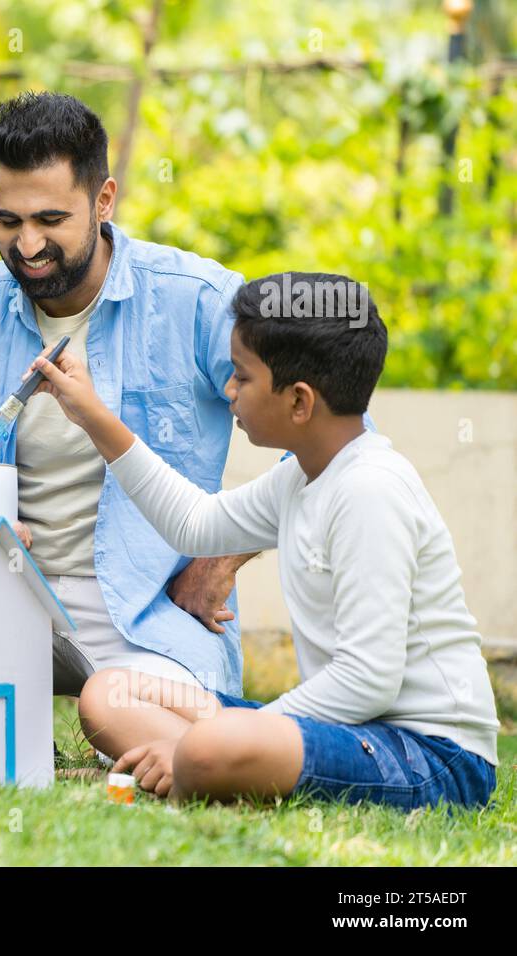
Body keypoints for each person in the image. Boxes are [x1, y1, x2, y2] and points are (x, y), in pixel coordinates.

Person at [29, 273, 499, 809]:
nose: (228, 390)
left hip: (429, 756)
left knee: (212, 744)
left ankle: (208, 764)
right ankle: (215, 769)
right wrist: (92, 416)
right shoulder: (301, 476)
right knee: (108, 694)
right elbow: (194, 524)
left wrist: (229, 736)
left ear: (299, 402)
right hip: (341, 731)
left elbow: (368, 682)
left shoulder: (371, 490)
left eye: (243, 378)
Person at [0, 91, 276, 700]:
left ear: (103, 201)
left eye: (50, 221)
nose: (27, 247)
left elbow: (324, 434)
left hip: (151, 612)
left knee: (145, 731)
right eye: (8, 221)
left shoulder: (196, 298)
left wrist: (221, 559)